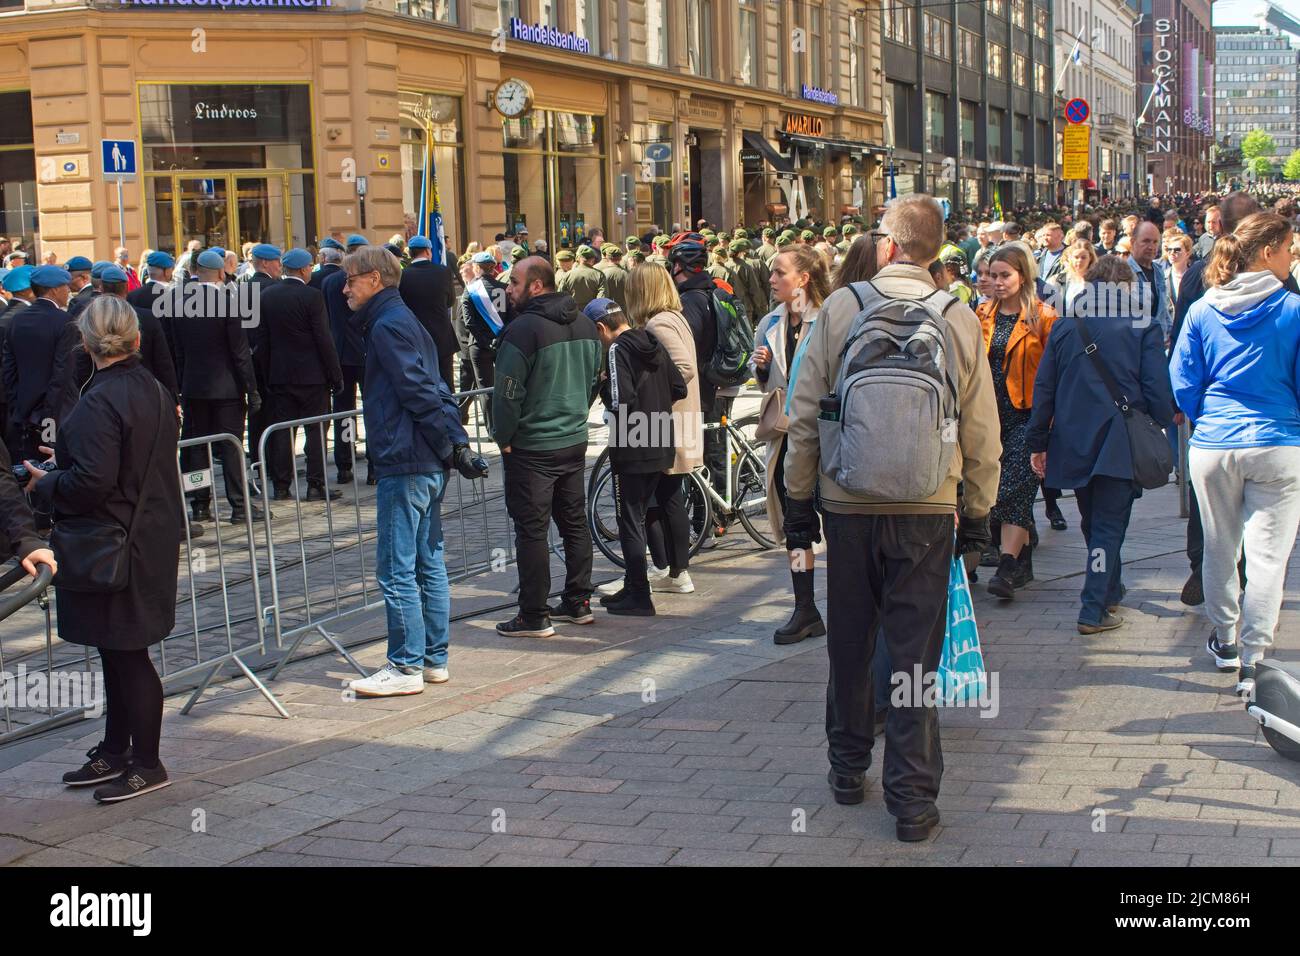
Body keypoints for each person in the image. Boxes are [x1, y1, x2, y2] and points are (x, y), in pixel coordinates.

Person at [784, 193, 1000, 842]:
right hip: (929, 506)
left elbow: (803, 413)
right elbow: (983, 429)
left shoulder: (843, 307)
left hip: (848, 502)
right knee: (912, 658)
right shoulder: (957, 316)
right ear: (937, 249)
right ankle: (912, 802)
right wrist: (980, 512)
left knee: (850, 642)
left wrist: (798, 502)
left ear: (888, 244)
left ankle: (848, 767)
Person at [26, 296, 182, 802]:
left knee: (127, 653)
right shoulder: (150, 387)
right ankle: (117, 750)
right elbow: (123, 458)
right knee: (116, 649)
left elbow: (92, 482)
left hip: (116, 541)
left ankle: (148, 762)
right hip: (143, 535)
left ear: (87, 343)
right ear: (134, 339)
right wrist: (69, 454)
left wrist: (45, 483)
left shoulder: (101, 398)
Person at [340, 246, 484, 696]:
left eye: (351, 279)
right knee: (427, 564)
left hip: (407, 458)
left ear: (375, 280)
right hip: (423, 458)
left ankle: (405, 667)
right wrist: (453, 445)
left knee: (397, 568)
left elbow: (421, 389)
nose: (345, 288)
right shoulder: (402, 320)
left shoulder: (387, 324)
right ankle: (432, 659)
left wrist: (449, 442)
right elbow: (436, 385)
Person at [1170, 212, 1300, 698]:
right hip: (1278, 442)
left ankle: (1225, 640)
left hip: (1215, 444)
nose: (1293, 256)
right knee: (1269, 557)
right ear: (1267, 253)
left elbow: (1182, 379)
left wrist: (1207, 415)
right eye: (1289, 247)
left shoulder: (1204, 309)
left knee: (1221, 546)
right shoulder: (1292, 309)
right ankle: (1255, 655)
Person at [1028, 256, 1176, 634]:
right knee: (1108, 528)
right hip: (1119, 441)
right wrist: (1159, 420)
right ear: (1125, 287)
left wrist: (1038, 440)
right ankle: (1093, 608)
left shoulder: (1066, 326)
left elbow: (1044, 387)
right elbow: (1157, 388)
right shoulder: (1141, 325)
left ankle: (1110, 588)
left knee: (1094, 523)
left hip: (1073, 439)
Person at [492, 257, 603, 637]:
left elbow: (507, 393)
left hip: (534, 447)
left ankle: (534, 614)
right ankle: (578, 601)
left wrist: (503, 437)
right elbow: (594, 381)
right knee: (573, 523)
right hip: (572, 440)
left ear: (536, 286)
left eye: (515, 282)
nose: (509, 288)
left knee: (533, 530)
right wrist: (573, 414)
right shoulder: (587, 324)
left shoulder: (522, 330)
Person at [753, 245, 830, 645]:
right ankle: (805, 606)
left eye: (779, 272)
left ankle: (854, 601)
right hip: (788, 440)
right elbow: (767, 383)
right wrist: (763, 367)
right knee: (796, 525)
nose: (771, 279)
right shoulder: (769, 321)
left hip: (828, 438)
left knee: (839, 520)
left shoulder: (832, 318)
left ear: (803, 278)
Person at [590, 297, 686, 616]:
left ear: (602, 327)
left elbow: (622, 400)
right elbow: (679, 387)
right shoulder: (652, 338)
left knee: (629, 519)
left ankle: (639, 595)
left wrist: (604, 387)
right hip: (660, 434)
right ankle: (634, 586)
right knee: (643, 512)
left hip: (632, 441)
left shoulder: (618, 349)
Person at [977, 243, 1058, 599]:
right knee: (993, 490)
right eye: (992, 275)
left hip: (1028, 416)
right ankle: (1020, 564)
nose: (997, 282)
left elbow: (1056, 374)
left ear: (1022, 275)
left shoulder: (1044, 318)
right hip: (987, 415)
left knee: (1014, 487)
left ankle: (1007, 567)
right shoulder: (981, 315)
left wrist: (1053, 422)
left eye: (1004, 275)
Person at [624, 263, 701, 597]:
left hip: (669, 422)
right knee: (669, 496)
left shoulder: (659, 322)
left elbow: (683, 366)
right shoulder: (673, 316)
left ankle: (674, 571)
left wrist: (655, 394)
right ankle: (674, 570)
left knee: (662, 498)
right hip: (676, 421)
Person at [172, 250, 261, 523]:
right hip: (226, 390)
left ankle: (200, 504)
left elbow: (177, 351)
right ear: (221, 273)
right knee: (231, 446)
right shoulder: (227, 302)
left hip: (193, 388)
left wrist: (180, 384)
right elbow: (240, 353)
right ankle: (238, 506)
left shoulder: (178, 303)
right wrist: (252, 389)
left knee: (199, 447)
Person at [255, 248, 345, 501]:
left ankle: (281, 485)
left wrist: (266, 373)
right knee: (315, 431)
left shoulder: (268, 295)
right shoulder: (312, 296)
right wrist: (335, 375)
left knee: (283, 431)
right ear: (305, 269)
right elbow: (323, 339)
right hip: (312, 376)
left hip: (280, 375)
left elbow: (262, 340)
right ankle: (315, 485)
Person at [2, 265, 76, 466]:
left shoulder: (17, 320)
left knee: (29, 466)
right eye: (65, 286)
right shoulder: (64, 321)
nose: (69, 290)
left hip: (24, 412)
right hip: (56, 413)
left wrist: (19, 406)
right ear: (53, 290)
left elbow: (9, 370)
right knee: (54, 466)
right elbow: (61, 374)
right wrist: (48, 416)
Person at [321, 240, 370, 485]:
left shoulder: (329, 281)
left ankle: (344, 465)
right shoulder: (367, 279)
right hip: (363, 351)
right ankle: (374, 467)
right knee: (372, 409)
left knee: (343, 411)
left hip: (340, 353)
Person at [398, 235, 458, 388]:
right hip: (442, 336)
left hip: (415, 337)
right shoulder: (443, 272)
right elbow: (450, 301)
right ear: (428, 251)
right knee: (446, 383)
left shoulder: (403, 275)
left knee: (421, 384)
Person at [1046, 238, 1097, 313]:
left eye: (1083, 257)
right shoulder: (1058, 280)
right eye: (1076, 257)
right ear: (1070, 258)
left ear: (1090, 258)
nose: (1079, 260)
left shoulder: (1097, 281)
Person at [1162, 230, 1194, 320]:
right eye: (1169, 249)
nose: (1172, 253)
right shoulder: (1161, 277)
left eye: (1177, 250)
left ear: (1187, 253)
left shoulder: (1195, 277)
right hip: (1168, 327)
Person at [595, 243, 628, 311]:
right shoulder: (626, 273)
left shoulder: (602, 273)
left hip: (609, 309)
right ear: (621, 258)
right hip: (624, 309)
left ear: (607, 257)